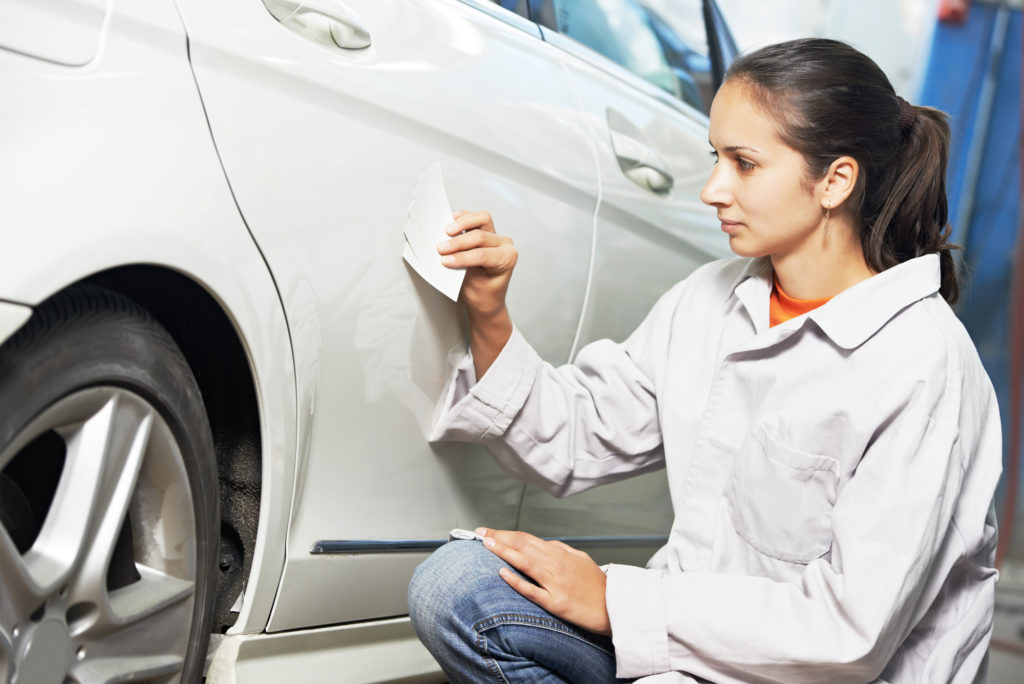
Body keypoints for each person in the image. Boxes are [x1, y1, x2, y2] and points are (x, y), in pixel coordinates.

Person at [407, 38, 1002, 683]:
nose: (712, 190)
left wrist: (613, 599)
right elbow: (574, 437)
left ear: (835, 180)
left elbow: (848, 636)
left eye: (744, 164)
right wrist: (489, 312)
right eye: (715, 158)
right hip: (690, 652)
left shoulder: (921, 362)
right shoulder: (709, 301)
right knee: (459, 587)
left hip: (822, 673)